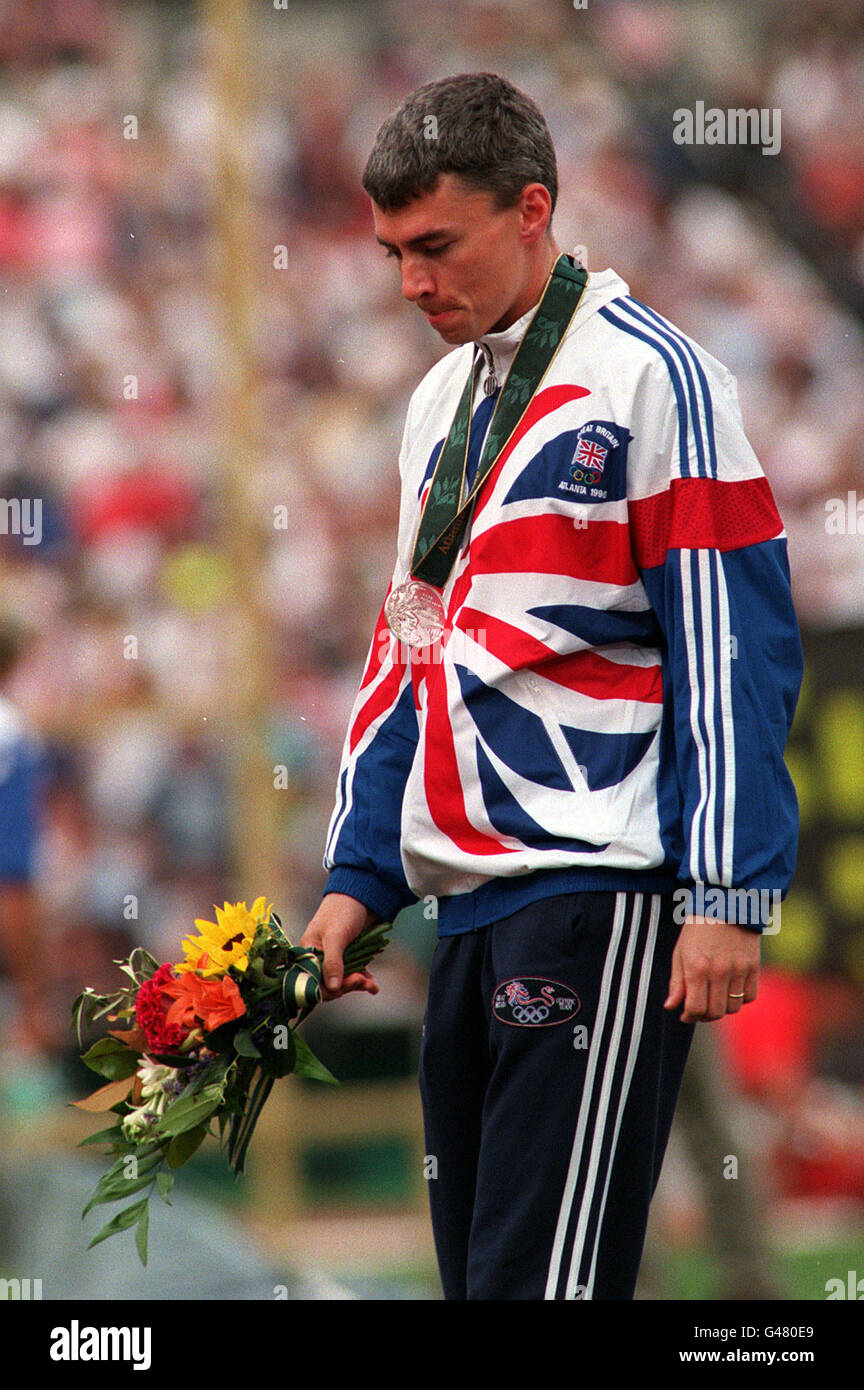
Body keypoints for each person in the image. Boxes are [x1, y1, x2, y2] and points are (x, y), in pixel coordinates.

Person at [300, 73, 803, 1300]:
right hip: (464, 905)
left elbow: (730, 639)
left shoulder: (655, 378)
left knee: (542, 1288)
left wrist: (730, 887)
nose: (413, 283)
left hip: (593, 890)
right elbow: (411, 636)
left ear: (533, 210)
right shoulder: (439, 400)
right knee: (488, 1280)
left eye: (436, 246)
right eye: (391, 255)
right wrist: (358, 875)